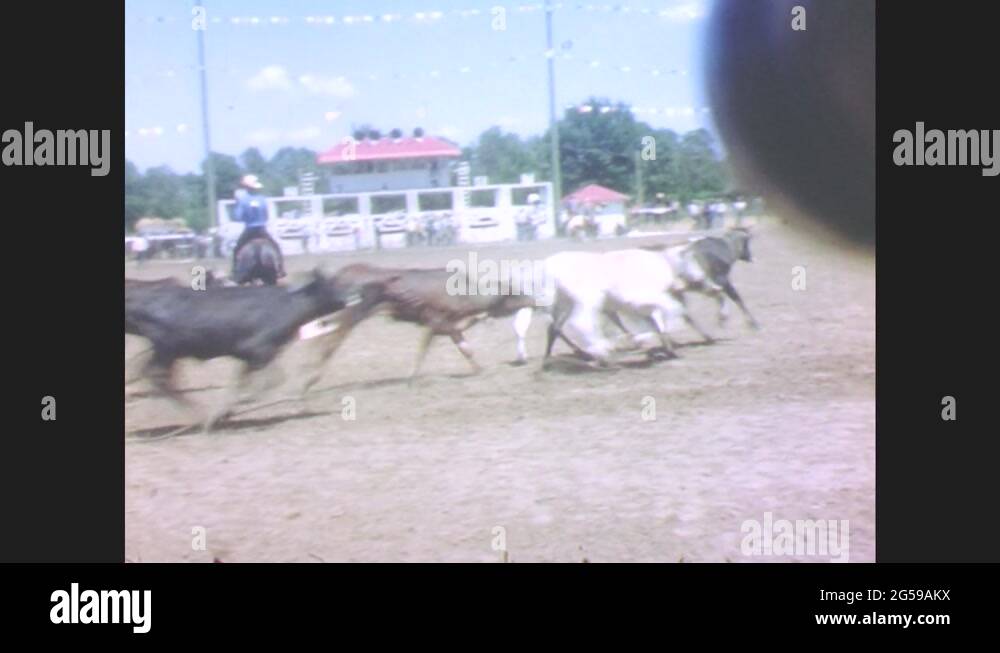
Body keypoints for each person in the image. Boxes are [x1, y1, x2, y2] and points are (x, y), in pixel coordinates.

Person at [231, 174, 286, 278]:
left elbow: (238, 217)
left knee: (237, 249)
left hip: (249, 230)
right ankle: (281, 269)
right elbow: (266, 215)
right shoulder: (262, 199)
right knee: (276, 247)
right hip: (261, 229)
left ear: (246, 188)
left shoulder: (243, 200)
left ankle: (235, 271)